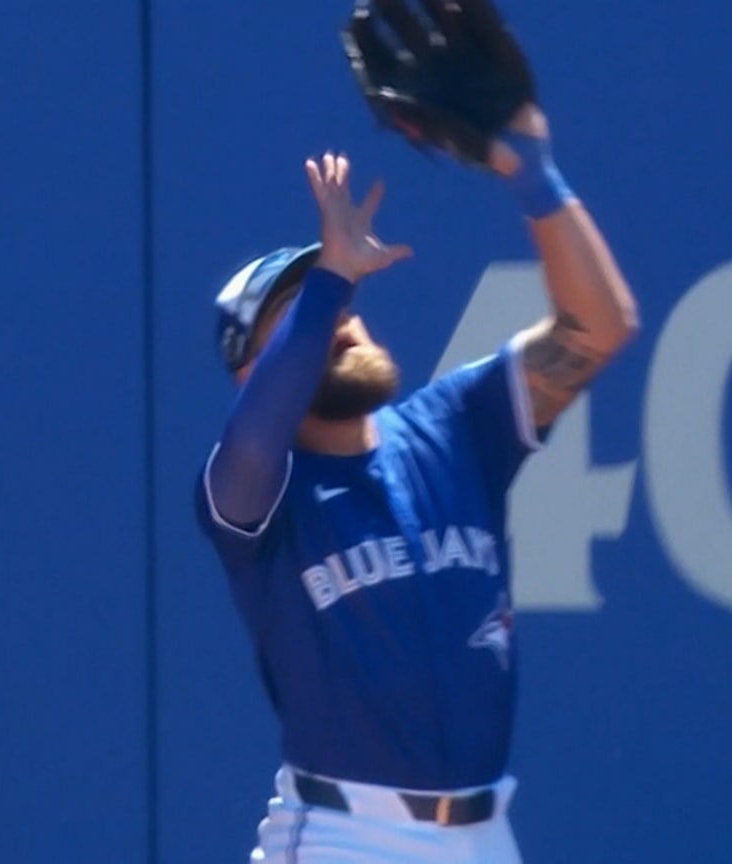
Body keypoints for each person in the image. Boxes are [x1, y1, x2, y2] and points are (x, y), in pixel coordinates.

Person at [193, 101, 638, 863]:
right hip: (343, 836)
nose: (335, 316)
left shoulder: (457, 426)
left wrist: (535, 178)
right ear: (252, 373)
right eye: (295, 312)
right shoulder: (260, 496)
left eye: (332, 299)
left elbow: (599, 328)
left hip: (485, 833)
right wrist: (331, 277)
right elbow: (254, 436)